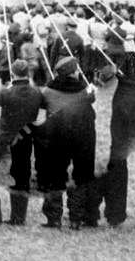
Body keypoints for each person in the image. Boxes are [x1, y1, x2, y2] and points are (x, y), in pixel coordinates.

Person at [0, 59, 42, 226]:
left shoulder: (6, 92)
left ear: (12, 74)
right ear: (28, 74)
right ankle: (18, 217)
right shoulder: (37, 93)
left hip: (3, 141)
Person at [95, 24, 135, 228]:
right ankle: (115, 215)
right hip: (121, 131)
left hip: (105, 128)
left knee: (99, 171)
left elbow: (100, 77)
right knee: (118, 173)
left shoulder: (102, 54)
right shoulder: (132, 56)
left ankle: (92, 211)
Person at [37, 55, 98, 229]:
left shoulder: (48, 91)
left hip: (56, 138)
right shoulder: (85, 91)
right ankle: (76, 219)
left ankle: (54, 217)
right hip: (83, 138)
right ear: (73, 72)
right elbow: (91, 100)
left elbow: (41, 108)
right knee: (81, 176)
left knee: (54, 176)